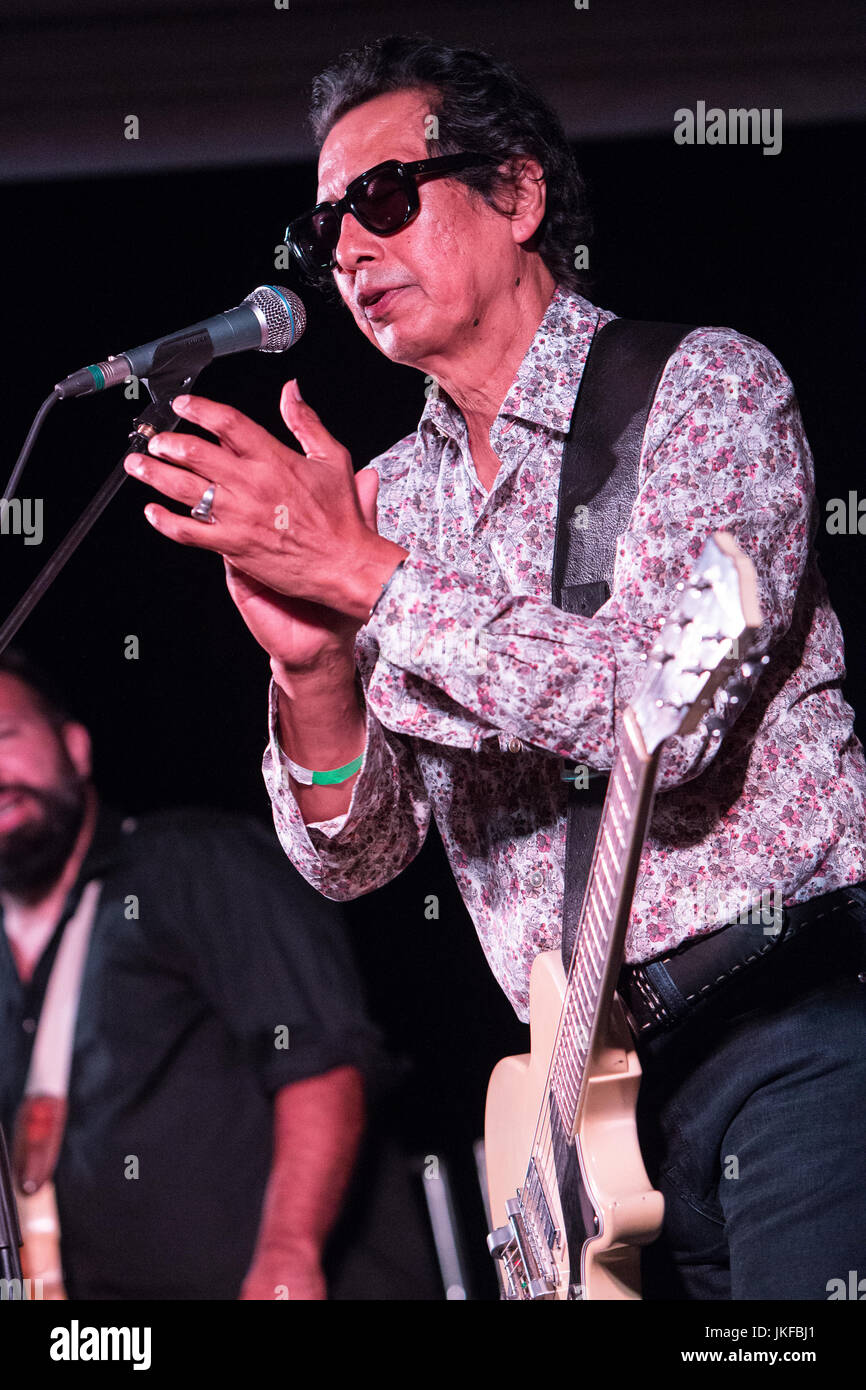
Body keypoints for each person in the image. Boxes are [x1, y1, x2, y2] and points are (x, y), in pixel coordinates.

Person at [122, 35, 866, 1299]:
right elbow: (353, 856)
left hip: (787, 1033)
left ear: (515, 195)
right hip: (576, 1116)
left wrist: (371, 584)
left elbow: (663, 724)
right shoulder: (383, 496)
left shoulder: (698, 389)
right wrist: (312, 676)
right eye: (324, 232)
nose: (348, 252)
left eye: (382, 200)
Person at [0, 648, 387, 1301]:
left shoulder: (197, 863)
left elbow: (322, 1060)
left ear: (76, 748)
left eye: (6, 738)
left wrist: (288, 1254)